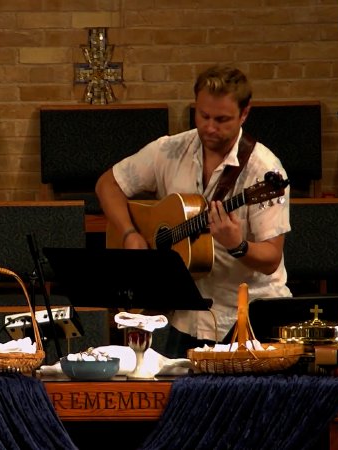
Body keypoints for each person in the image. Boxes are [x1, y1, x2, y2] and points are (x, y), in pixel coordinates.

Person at [95, 64, 291, 358]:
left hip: (248, 318)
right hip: (187, 315)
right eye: (203, 115)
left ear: (245, 113)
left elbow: (271, 259)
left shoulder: (264, 172)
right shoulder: (170, 150)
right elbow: (107, 184)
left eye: (222, 119)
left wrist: (237, 245)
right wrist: (129, 233)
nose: (210, 127)